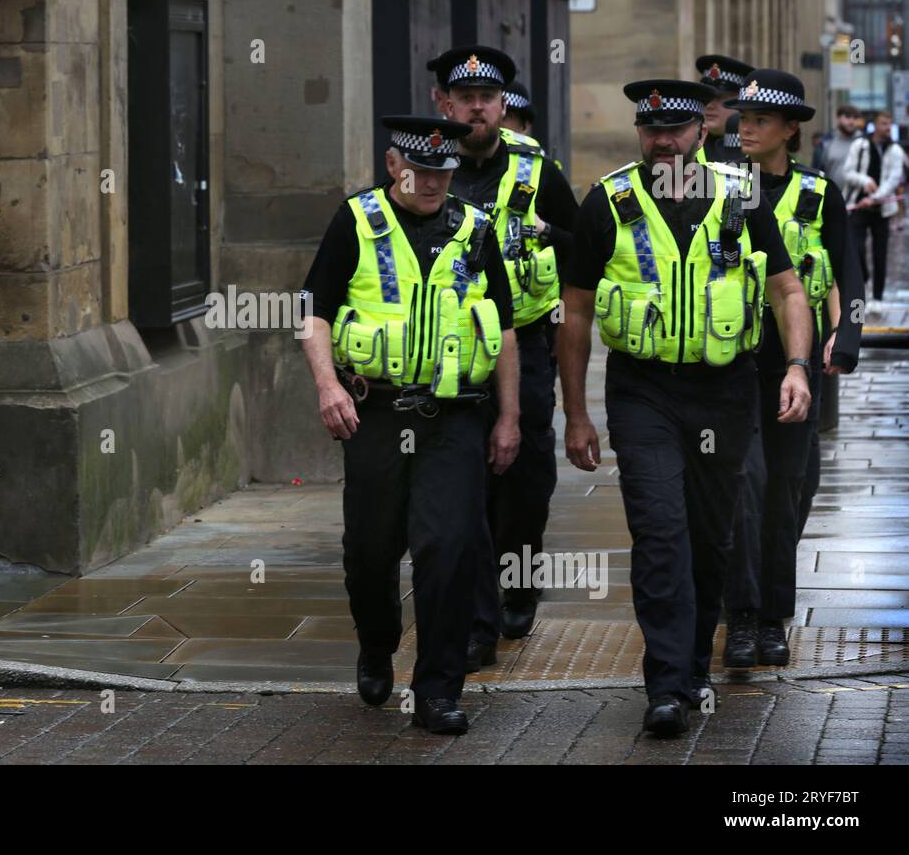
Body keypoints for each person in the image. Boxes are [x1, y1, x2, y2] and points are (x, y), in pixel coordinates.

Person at [557, 78, 813, 738]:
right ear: (640, 133)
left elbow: (788, 290)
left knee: (710, 538)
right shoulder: (608, 202)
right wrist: (576, 414)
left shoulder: (740, 194)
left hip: (724, 393)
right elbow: (577, 312)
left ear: (703, 130)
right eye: (652, 131)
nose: (663, 142)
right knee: (660, 532)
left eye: (676, 130)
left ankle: (695, 663)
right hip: (643, 390)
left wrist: (797, 367)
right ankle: (666, 686)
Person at [300, 115, 519, 735]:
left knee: (447, 550)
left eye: (443, 172)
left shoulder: (475, 230)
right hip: (375, 412)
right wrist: (326, 385)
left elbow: (502, 329)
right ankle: (376, 642)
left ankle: (438, 690)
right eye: (422, 171)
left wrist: (510, 416)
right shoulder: (356, 220)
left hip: (453, 418)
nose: (433, 183)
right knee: (370, 552)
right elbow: (313, 311)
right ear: (397, 165)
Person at [426, 45, 578, 658]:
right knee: (462, 480)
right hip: (451, 350)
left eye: (488, 98)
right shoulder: (425, 162)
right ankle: (476, 614)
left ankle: (518, 582)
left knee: (525, 475)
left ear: (501, 104)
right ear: (445, 104)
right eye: (466, 99)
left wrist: (543, 234)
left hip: (528, 341)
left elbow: (581, 249)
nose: (478, 107)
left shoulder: (536, 167)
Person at [721, 70, 864, 669]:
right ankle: (743, 619)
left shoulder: (819, 191)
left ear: (790, 130)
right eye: (742, 119)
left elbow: (847, 268)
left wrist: (848, 331)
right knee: (741, 491)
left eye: (759, 121)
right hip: (730, 357)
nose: (745, 129)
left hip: (794, 360)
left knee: (787, 490)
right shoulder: (722, 188)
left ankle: (775, 614)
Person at [843, 110, 905, 301]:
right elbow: (848, 173)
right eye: (884, 124)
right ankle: (864, 279)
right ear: (876, 125)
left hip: (882, 210)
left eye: (889, 124)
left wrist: (875, 197)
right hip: (858, 206)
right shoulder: (860, 145)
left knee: (880, 254)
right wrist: (865, 181)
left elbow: (893, 180)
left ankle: (877, 297)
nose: (887, 128)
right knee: (856, 248)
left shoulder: (895, 151)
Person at [694, 54, 753, 165]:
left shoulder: (756, 148)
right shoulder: (688, 147)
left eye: (720, 97)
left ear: (740, 100)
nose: (710, 105)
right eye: (707, 98)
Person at [812, 104, 862, 193]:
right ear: (838, 118)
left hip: (858, 201)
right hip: (831, 198)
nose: (851, 121)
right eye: (847, 116)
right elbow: (816, 173)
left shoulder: (864, 144)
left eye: (855, 118)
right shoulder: (825, 144)